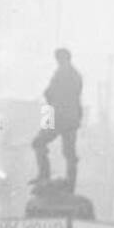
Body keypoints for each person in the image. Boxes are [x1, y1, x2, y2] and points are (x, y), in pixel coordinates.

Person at [31, 48, 84, 191]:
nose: (58, 61)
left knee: (38, 142)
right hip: (71, 118)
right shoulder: (75, 75)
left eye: (58, 58)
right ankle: (70, 183)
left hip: (58, 116)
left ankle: (44, 175)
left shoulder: (62, 73)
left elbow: (51, 95)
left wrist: (47, 118)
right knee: (69, 153)